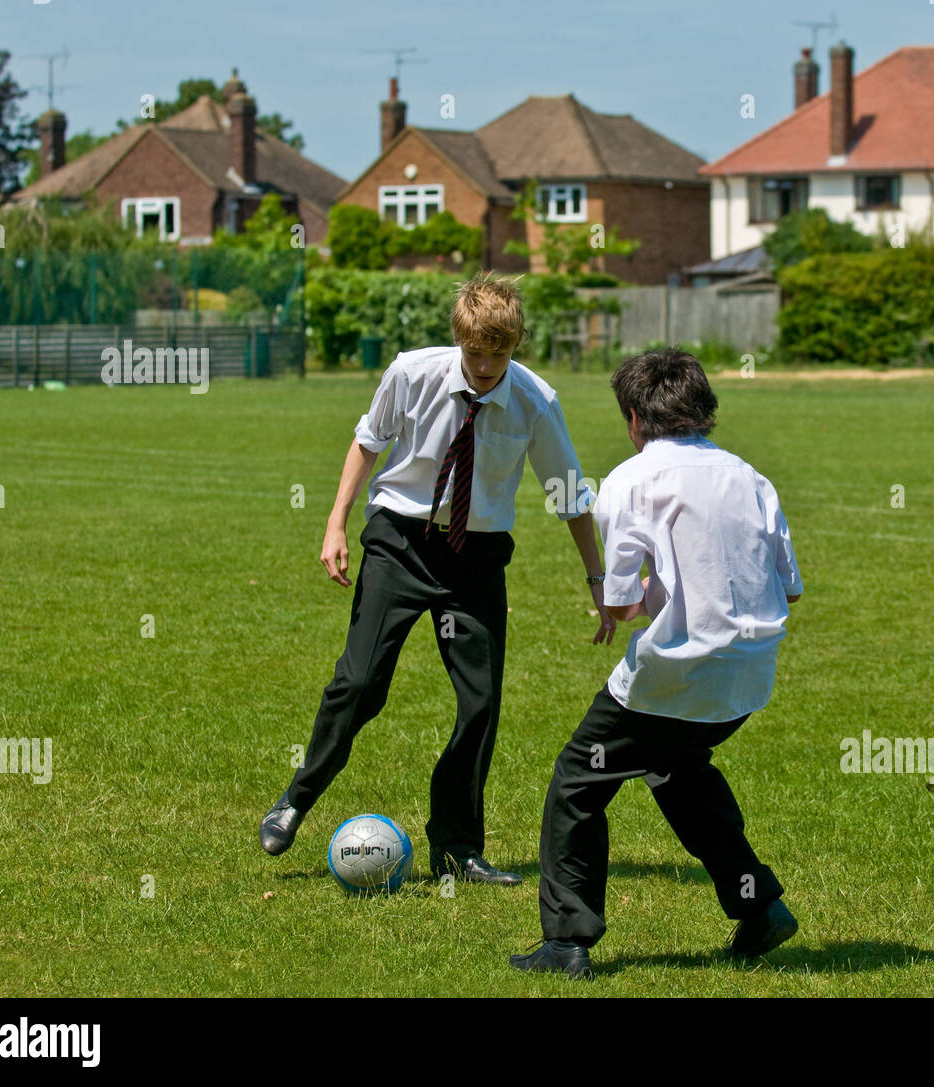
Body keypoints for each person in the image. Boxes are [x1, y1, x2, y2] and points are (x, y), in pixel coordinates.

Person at [259, 272, 613, 886]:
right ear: (459, 341)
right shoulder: (411, 373)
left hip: (475, 561)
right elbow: (367, 443)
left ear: (515, 346)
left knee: (480, 704)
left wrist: (597, 580)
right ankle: (296, 798)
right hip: (401, 541)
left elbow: (568, 494)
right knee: (361, 682)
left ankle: (459, 849)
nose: (484, 367)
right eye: (475, 354)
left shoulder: (535, 401)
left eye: (498, 355)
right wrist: (335, 524)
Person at [510, 347, 803, 978]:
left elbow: (619, 597)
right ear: (704, 411)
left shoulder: (632, 479)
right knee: (676, 770)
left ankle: (566, 943)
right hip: (749, 678)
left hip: (675, 675)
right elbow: (791, 586)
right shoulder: (752, 478)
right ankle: (760, 908)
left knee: (577, 783)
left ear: (636, 419)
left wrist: (619, 612)